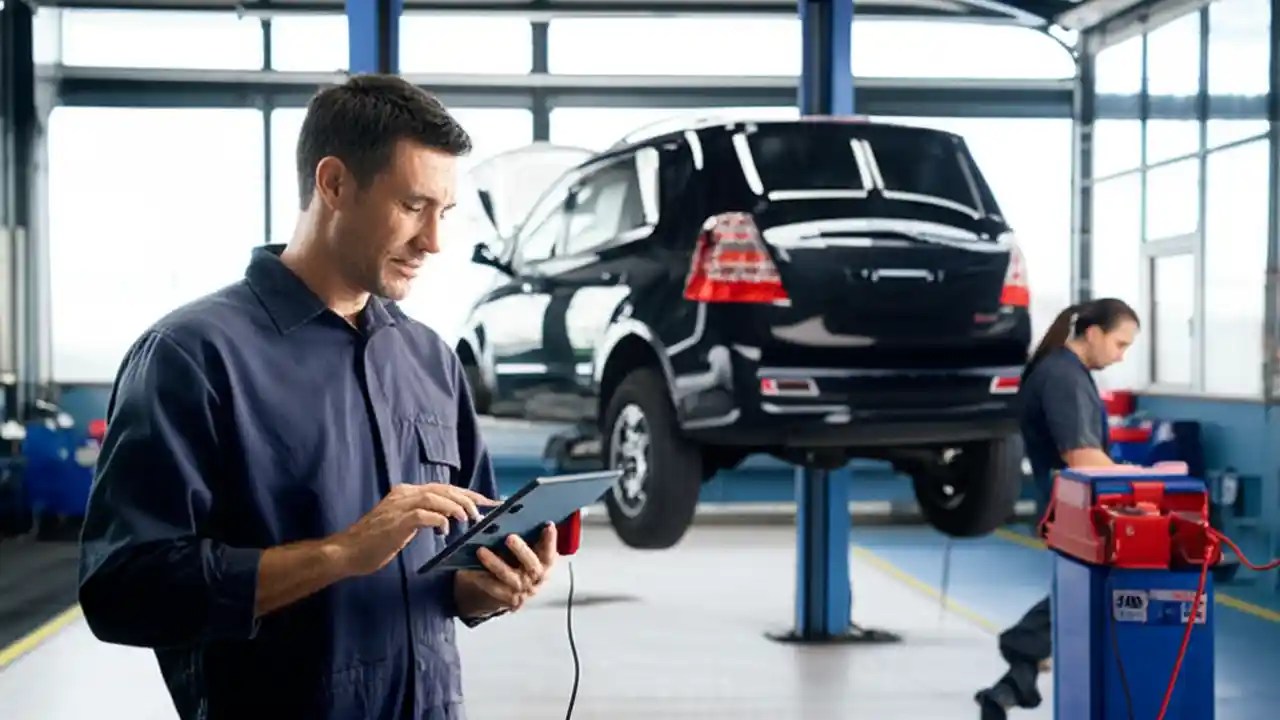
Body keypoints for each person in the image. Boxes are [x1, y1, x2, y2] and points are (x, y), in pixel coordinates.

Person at [77, 75, 557, 720]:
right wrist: (339, 553)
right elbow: (122, 591)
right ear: (333, 184)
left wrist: (491, 588)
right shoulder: (191, 355)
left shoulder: (430, 361)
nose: (434, 241)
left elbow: (450, 584)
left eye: (444, 212)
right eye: (413, 206)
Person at [974, 297, 1141, 720]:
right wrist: (1140, 478)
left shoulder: (1066, 372)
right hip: (1075, 508)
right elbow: (1082, 457)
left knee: (1085, 592)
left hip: (1069, 506)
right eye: (1120, 344)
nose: (1121, 356)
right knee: (1098, 589)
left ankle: (1013, 683)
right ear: (1093, 333)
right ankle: (1024, 647)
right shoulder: (1063, 377)